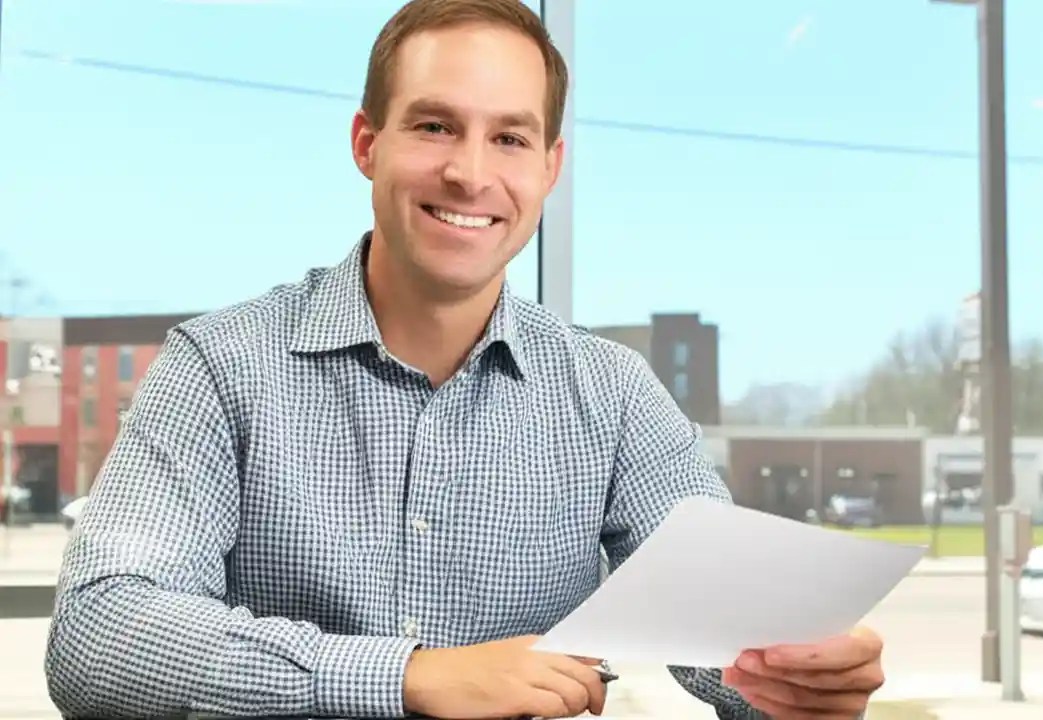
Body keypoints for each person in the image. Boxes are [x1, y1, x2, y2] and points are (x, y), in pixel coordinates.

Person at [44, 0, 887, 718]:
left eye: (511, 139)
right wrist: (411, 675)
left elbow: (718, 633)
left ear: (550, 169)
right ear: (367, 144)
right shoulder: (221, 366)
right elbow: (98, 635)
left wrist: (794, 675)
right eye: (435, 125)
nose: (468, 173)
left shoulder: (616, 396)